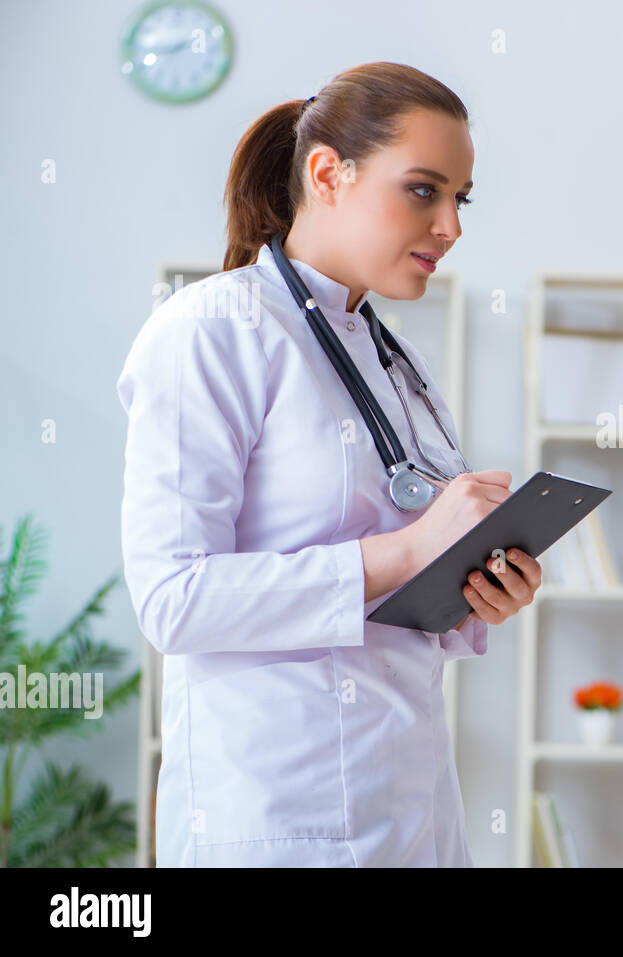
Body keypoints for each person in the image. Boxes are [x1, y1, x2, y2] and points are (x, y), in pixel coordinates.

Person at [117, 61, 538, 866]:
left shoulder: (395, 361)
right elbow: (174, 598)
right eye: (424, 190)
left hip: (411, 809)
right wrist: (411, 549)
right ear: (326, 173)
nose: (451, 225)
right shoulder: (210, 329)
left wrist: (475, 589)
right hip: (278, 815)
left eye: (462, 198)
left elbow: (390, 604)